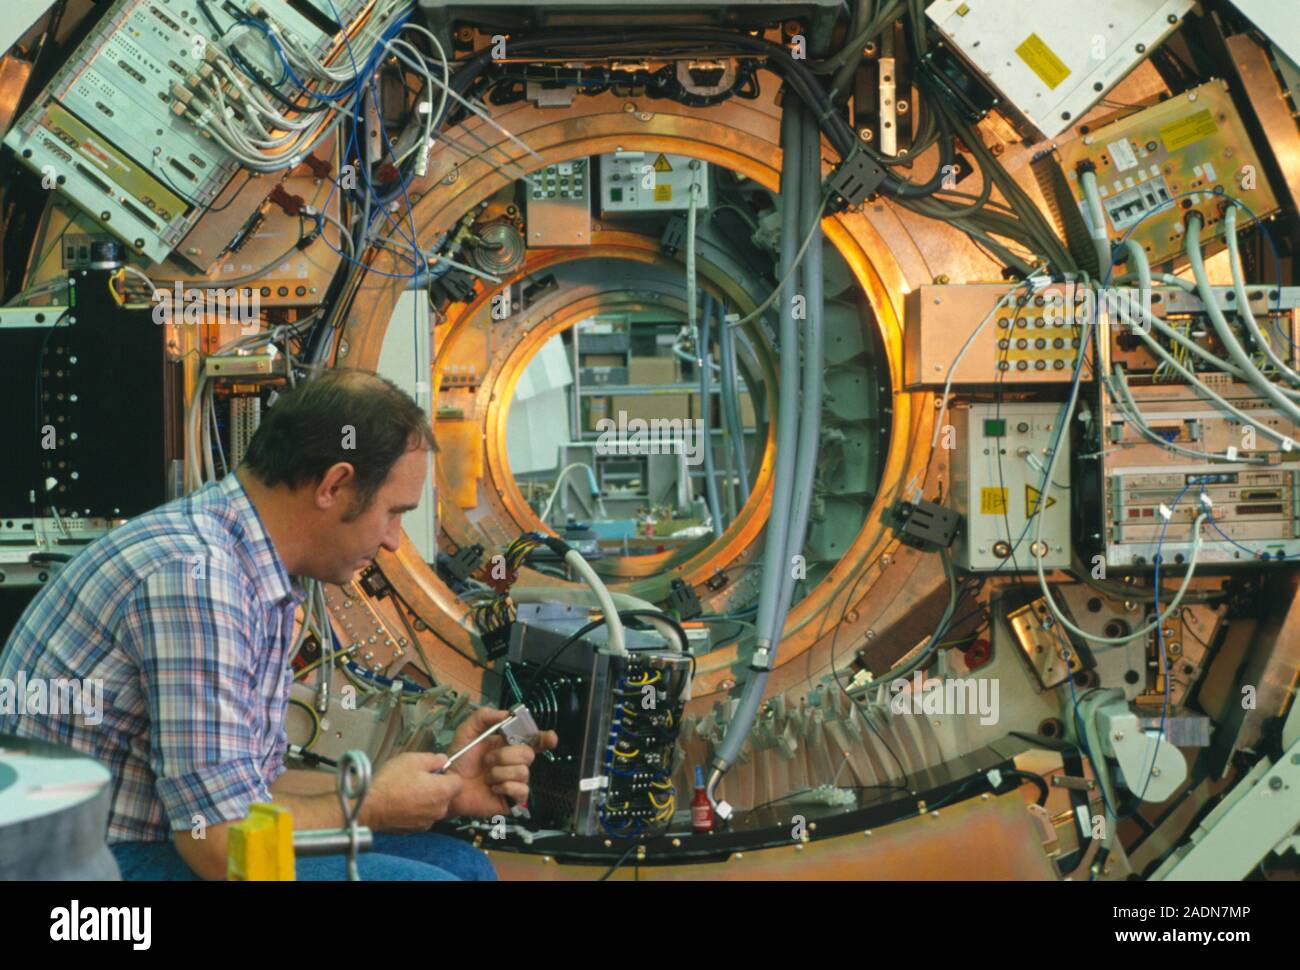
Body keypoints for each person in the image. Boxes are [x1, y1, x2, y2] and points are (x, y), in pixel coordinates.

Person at [0, 369, 556, 880]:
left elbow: (249, 789)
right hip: (76, 869)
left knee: (464, 868)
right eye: (394, 512)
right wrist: (371, 806)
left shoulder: (254, 570)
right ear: (334, 485)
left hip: (156, 837)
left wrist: (445, 786)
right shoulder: (199, 578)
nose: (392, 540)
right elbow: (218, 844)